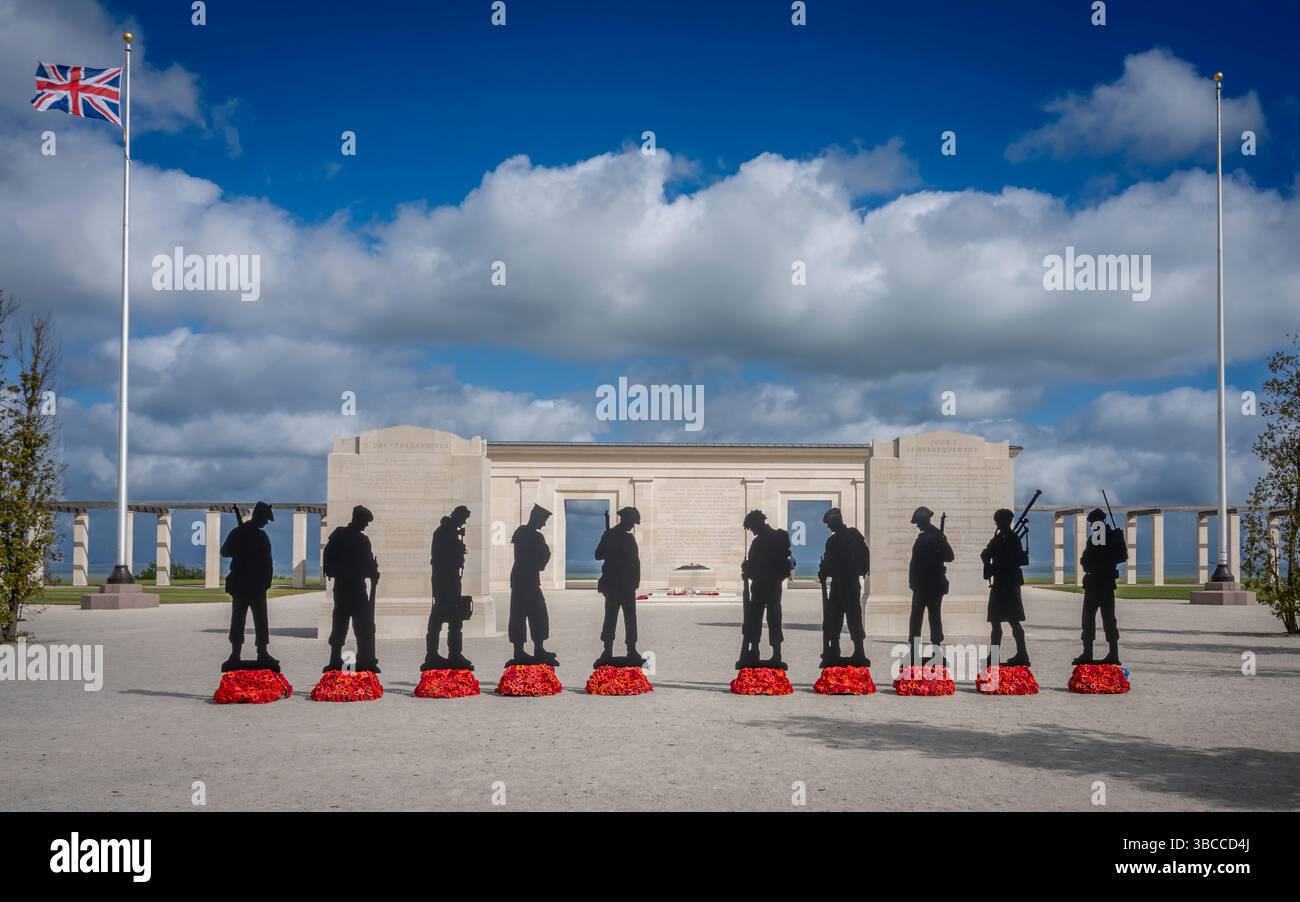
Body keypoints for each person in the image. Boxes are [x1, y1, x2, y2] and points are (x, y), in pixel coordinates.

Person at [322, 505, 381, 673]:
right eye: (364, 522)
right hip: (345, 587)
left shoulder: (360, 540)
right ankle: (335, 659)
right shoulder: (342, 536)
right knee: (342, 624)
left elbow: (368, 562)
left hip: (354, 587)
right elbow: (328, 560)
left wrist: (373, 572)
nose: (365, 526)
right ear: (358, 519)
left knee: (362, 625)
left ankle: (364, 659)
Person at [220, 501, 278, 672]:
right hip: (244, 583)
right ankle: (236, 654)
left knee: (259, 620)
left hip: (254, 584)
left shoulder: (259, 536)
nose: (266, 523)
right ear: (259, 517)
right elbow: (225, 552)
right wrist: (240, 544)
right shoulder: (240, 533)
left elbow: (267, 563)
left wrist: (265, 583)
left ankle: (261, 652)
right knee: (240, 620)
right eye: (265, 519)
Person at [738, 510, 793, 669]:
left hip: (771, 585)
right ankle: (754, 651)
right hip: (760, 586)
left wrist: (751, 569)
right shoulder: (760, 541)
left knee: (773, 618)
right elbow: (755, 564)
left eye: (752, 527)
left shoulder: (779, 536)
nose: (753, 531)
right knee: (755, 619)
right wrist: (747, 568)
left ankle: (776, 653)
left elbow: (776, 562)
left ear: (759, 523)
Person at [421, 505, 473, 671]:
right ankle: (433, 654)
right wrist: (458, 549)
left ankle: (454, 654)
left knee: (454, 618)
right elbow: (442, 557)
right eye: (463, 519)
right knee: (440, 617)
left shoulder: (448, 531)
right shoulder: (444, 532)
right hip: (445, 581)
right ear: (457, 517)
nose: (464, 523)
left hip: (450, 579)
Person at [817, 507, 870, 667]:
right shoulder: (846, 537)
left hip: (846, 583)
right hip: (844, 583)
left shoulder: (844, 538)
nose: (829, 527)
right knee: (839, 618)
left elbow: (829, 561)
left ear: (836, 521)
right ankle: (840, 650)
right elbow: (828, 561)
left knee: (846, 618)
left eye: (829, 524)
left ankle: (853, 651)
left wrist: (824, 572)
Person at [1075, 507, 1128, 666]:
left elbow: (1086, 561)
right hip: (1102, 583)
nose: (1092, 526)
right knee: (1102, 619)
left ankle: (1100, 653)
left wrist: (1118, 539)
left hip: (1098, 583)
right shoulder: (1105, 538)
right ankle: (1105, 652)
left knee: (1096, 619)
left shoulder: (1100, 539)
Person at [981, 508, 1031, 667]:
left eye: (999, 521)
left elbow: (1006, 560)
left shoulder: (1008, 538)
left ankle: (1022, 654)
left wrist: (990, 560)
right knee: (998, 622)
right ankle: (997, 655)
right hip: (1003, 584)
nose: (998, 524)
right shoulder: (1002, 538)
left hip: (1007, 585)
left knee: (1013, 621)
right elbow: (987, 555)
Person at [595, 506, 643, 667]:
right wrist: (607, 543)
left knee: (630, 618)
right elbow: (598, 555)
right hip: (613, 584)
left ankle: (632, 649)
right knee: (610, 618)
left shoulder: (629, 538)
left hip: (628, 585)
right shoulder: (610, 535)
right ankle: (607, 650)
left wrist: (636, 582)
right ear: (626, 520)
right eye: (632, 522)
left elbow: (636, 562)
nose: (632, 526)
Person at [509, 504, 556, 665]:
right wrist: (543, 556)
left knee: (536, 614)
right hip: (525, 580)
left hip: (525, 579)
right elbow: (535, 559)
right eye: (543, 520)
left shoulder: (526, 533)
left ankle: (536, 649)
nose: (544, 524)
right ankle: (521, 651)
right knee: (523, 614)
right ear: (536, 518)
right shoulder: (530, 535)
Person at [907, 506, 954, 667]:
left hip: (932, 584)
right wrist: (912, 582)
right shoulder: (922, 537)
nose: (917, 525)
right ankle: (913, 652)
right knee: (916, 619)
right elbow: (914, 563)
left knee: (934, 619)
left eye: (918, 522)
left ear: (925, 520)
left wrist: (941, 543)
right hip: (920, 585)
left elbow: (949, 557)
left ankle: (937, 652)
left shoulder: (937, 536)